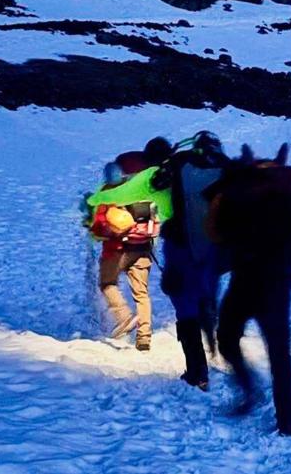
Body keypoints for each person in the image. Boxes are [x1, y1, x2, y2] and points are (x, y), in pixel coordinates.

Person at [87, 132, 228, 391]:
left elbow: (120, 194)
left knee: (185, 307)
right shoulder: (219, 173)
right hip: (213, 249)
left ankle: (198, 373)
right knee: (205, 296)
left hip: (181, 250)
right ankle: (221, 350)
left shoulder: (160, 176)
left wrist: (92, 200)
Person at [206, 144, 291, 436]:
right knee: (279, 350)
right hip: (280, 279)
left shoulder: (239, 186)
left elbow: (215, 232)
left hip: (245, 276)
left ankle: (249, 390)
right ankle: (287, 418)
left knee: (227, 337)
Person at [90, 162, 158, 351]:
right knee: (141, 294)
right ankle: (144, 338)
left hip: (116, 251)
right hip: (143, 247)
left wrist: (96, 231)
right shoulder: (137, 190)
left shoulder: (108, 194)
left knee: (107, 284)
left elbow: (99, 225)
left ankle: (124, 316)